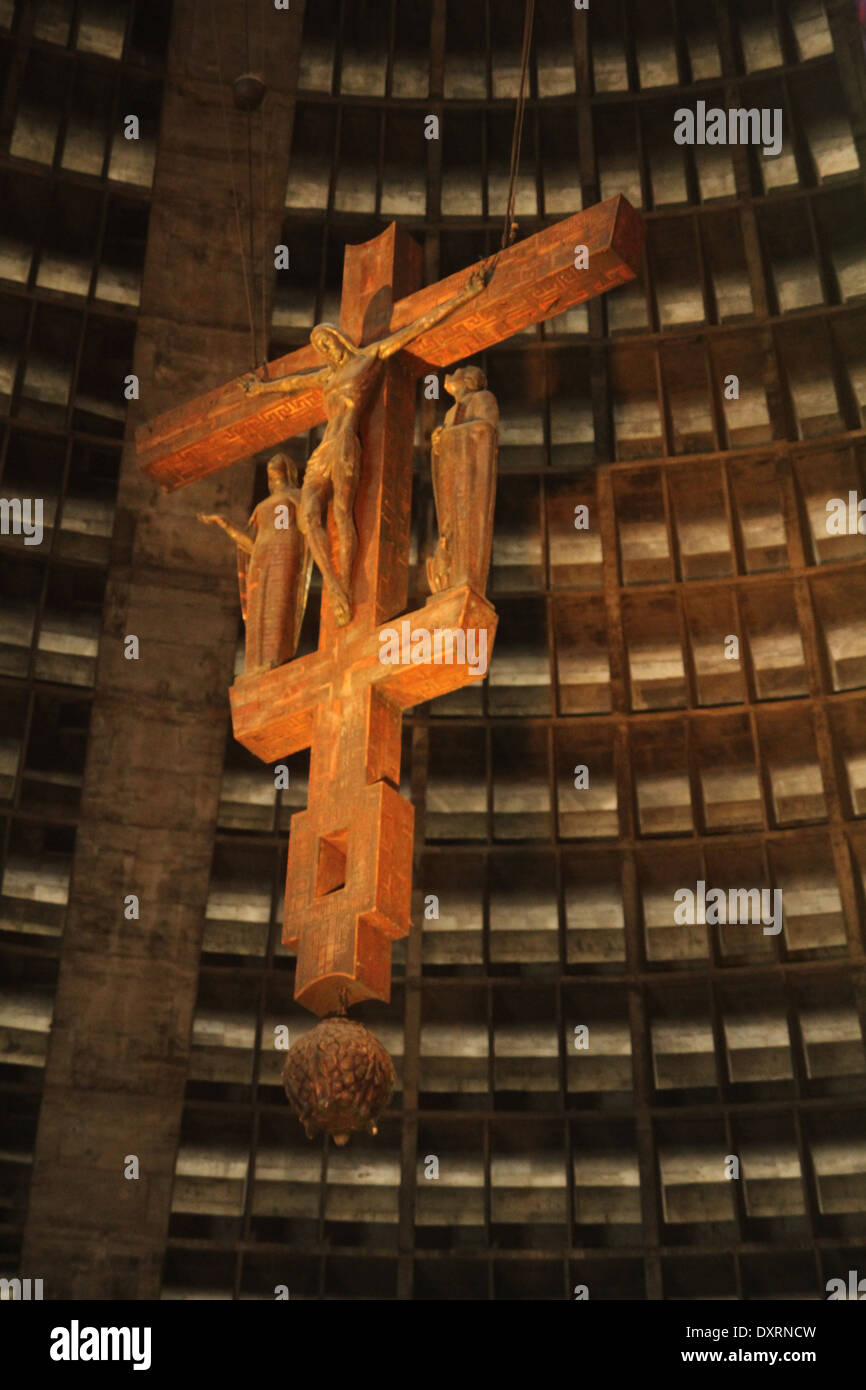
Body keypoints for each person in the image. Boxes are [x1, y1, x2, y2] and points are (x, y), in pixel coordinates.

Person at [239, 263, 493, 625]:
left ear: (339, 340)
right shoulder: (325, 378)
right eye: (321, 346)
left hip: (346, 440)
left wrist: (464, 295)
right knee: (307, 518)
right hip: (322, 451)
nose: (326, 348)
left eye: (328, 340)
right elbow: (289, 385)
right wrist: (260, 389)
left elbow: (415, 328)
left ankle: (344, 581)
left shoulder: (366, 360)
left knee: (342, 512)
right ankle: (333, 584)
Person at [198, 452, 311, 674]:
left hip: (286, 551)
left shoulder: (298, 496)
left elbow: (308, 524)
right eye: (270, 465)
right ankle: (257, 663)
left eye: (277, 463)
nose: (272, 463)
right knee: (259, 610)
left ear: (289, 471)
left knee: (279, 604)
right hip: (261, 555)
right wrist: (226, 524)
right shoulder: (261, 507)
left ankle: (275, 658)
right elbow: (250, 543)